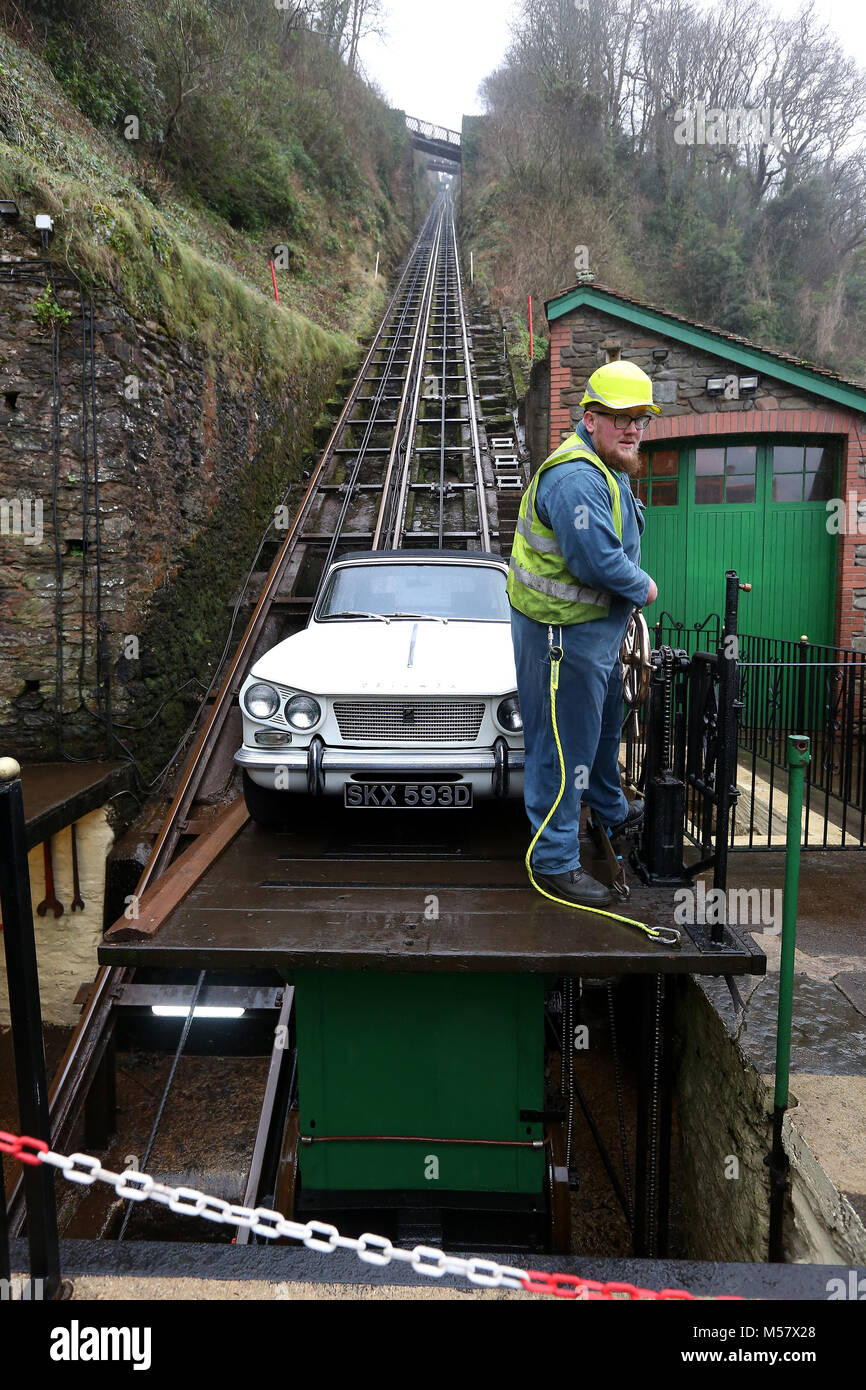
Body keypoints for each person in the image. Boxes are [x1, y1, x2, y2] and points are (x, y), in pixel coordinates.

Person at [506, 359, 660, 906]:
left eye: (639, 417)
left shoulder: (608, 466)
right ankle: (553, 859)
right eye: (619, 416)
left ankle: (610, 806)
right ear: (589, 418)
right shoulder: (576, 477)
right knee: (563, 745)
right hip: (559, 640)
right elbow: (596, 560)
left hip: (590, 636)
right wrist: (644, 587)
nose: (632, 427)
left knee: (603, 727)